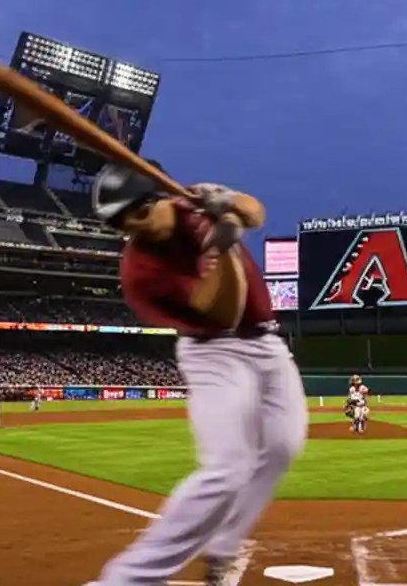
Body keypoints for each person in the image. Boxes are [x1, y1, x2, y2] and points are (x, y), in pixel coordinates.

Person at [87, 164, 306, 586]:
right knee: (229, 465)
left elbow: (256, 211)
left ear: (159, 201)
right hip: (214, 351)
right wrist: (223, 241)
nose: (130, 229)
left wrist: (230, 202)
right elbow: (221, 311)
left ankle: (222, 548)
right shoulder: (141, 274)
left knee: (282, 447)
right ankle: (128, 579)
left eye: (135, 215)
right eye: (120, 224)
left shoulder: (187, 203)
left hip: (268, 344)